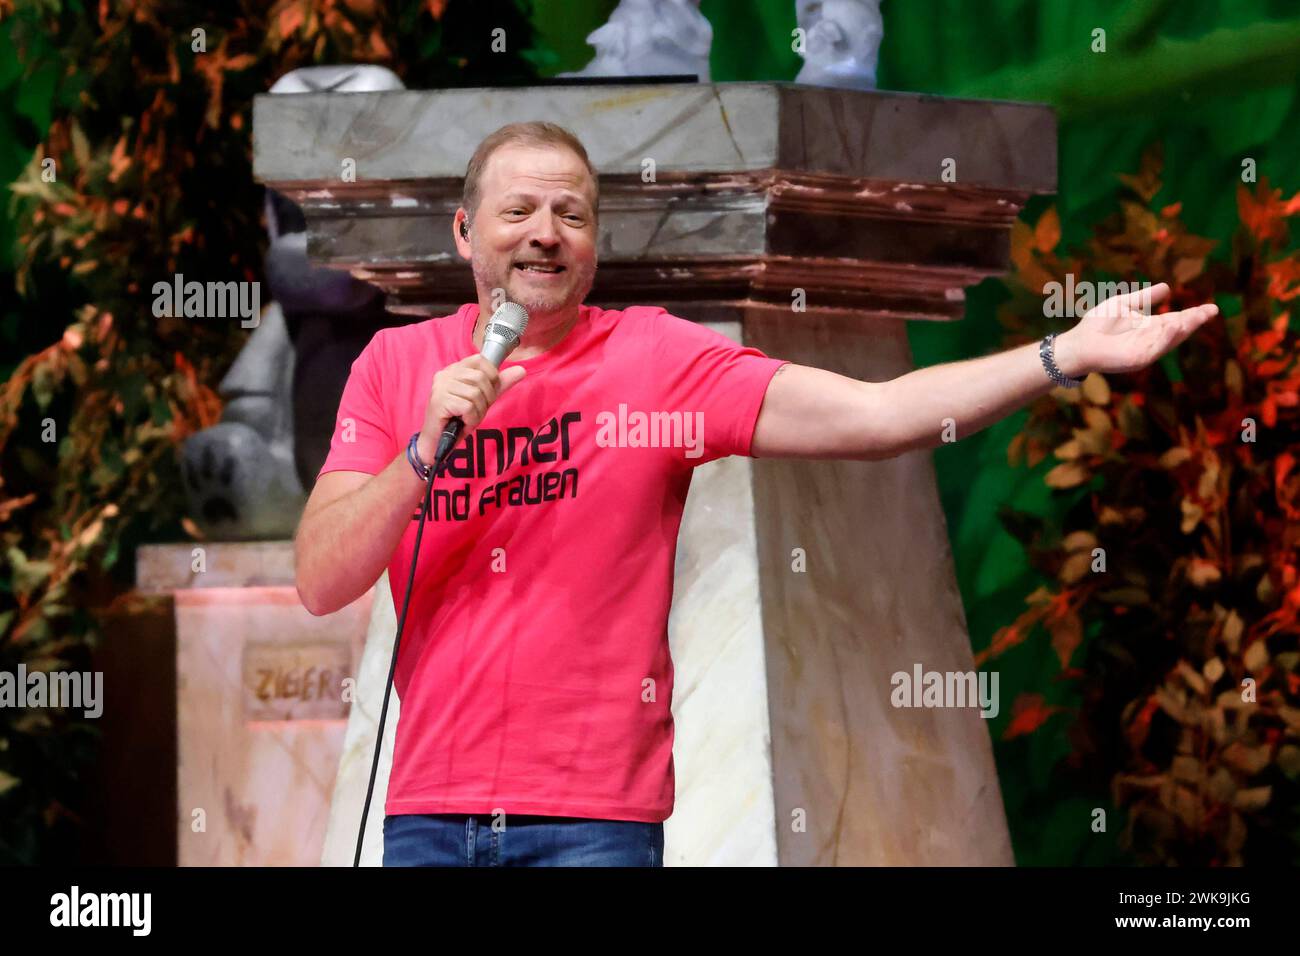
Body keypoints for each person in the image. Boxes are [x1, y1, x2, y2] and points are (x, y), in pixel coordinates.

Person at [293, 121, 1219, 867]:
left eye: (571, 215)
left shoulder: (653, 359)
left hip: (591, 825)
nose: (546, 232)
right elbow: (323, 578)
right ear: (465, 231)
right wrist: (421, 455)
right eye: (520, 210)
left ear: (594, 243)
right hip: (426, 816)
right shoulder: (396, 364)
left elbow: (879, 415)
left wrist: (1063, 356)